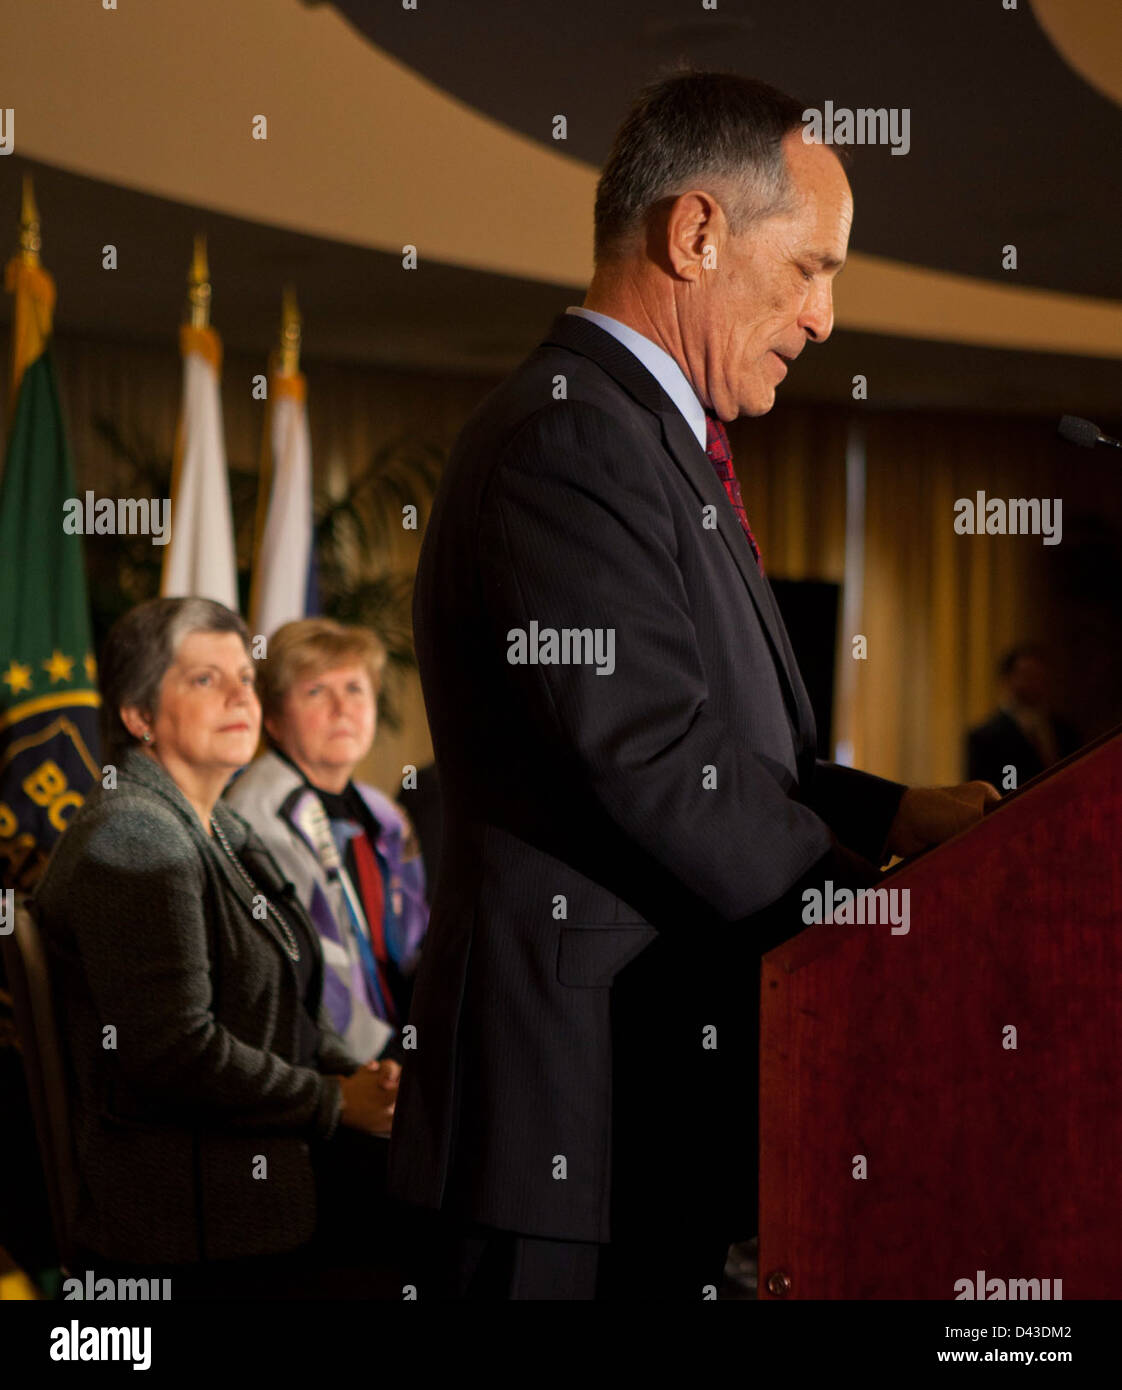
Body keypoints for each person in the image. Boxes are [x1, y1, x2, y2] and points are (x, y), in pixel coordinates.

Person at [387, 70, 1000, 1301]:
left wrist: (888, 815)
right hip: (558, 1125)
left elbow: (709, 741)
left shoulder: (643, 439)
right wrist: (878, 930)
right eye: (814, 267)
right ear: (698, 231)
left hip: (634, 1106)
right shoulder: (570, 436)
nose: (827, 317)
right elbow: (652, 759)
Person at [33, 598, 400, 1298]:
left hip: (258, 1193)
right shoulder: (133, 836)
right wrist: (333, 1101)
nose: (241, 694)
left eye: (245, 676)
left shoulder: (221, 825)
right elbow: (175, 1053)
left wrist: (361, 1078)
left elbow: (288, 1003)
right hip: (186, 1239)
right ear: (138, 716)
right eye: (206, 679)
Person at [225, 618, 428, 1070]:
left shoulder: (384, 814)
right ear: (273, 719)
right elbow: (307, 975)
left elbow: (415, 940)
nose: (343, 708)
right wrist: (389, 1060)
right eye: (316, 691)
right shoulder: (259, 816)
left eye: (355, 689)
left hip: (399, 1045)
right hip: (318, 1068)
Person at [966, 643, 1080, 793]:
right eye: (1027, 675)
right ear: (1008, 679)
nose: (1034, 682)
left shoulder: (1065, 731)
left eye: (1039, 675)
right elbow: (983, 794)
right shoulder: (985, 737)